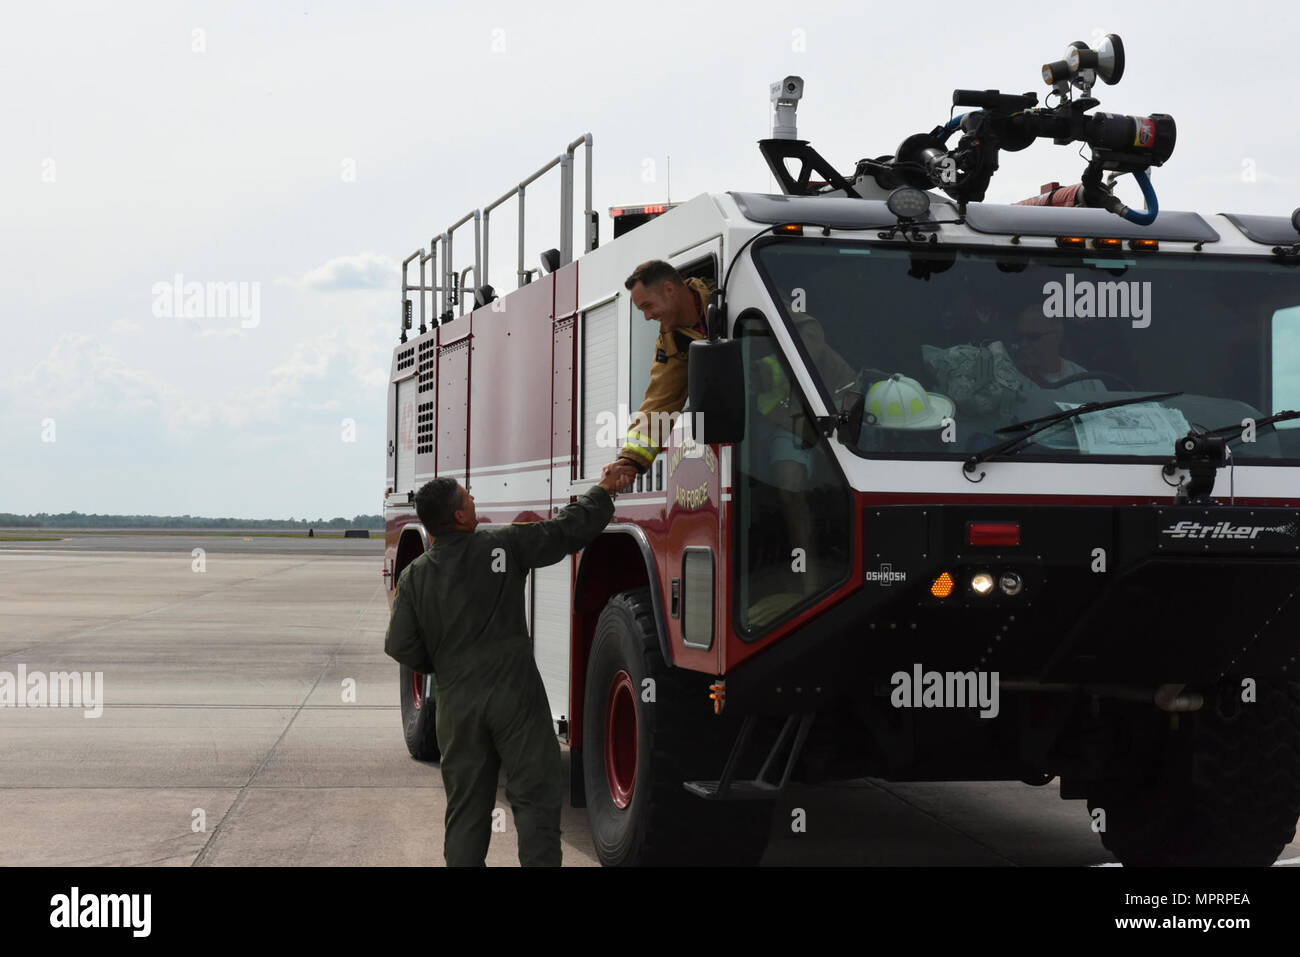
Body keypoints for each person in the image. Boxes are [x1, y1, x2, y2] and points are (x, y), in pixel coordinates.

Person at [383, 460, 635, 866]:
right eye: (468, 497)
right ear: (460, 516)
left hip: (457, 703)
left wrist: (448, 667)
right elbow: (566, 531)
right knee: (535, 796)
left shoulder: (414, 577)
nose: (474, 497)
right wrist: (605, 488)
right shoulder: (502, 546)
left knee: (466, 809)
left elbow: (402, 647)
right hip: (515, 696)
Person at [617, 260, 712, 475]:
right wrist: (629, 461)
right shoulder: (670, 342)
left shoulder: (731, 292)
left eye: (648, 306)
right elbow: (659, 403)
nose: (647, 317)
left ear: (669, 289)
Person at [1009, 304, 1103, 392]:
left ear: (1057, 335)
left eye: (1033, 337)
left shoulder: (1087, 382)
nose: (1023, 344)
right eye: (1020, 337)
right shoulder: (1009, 382)